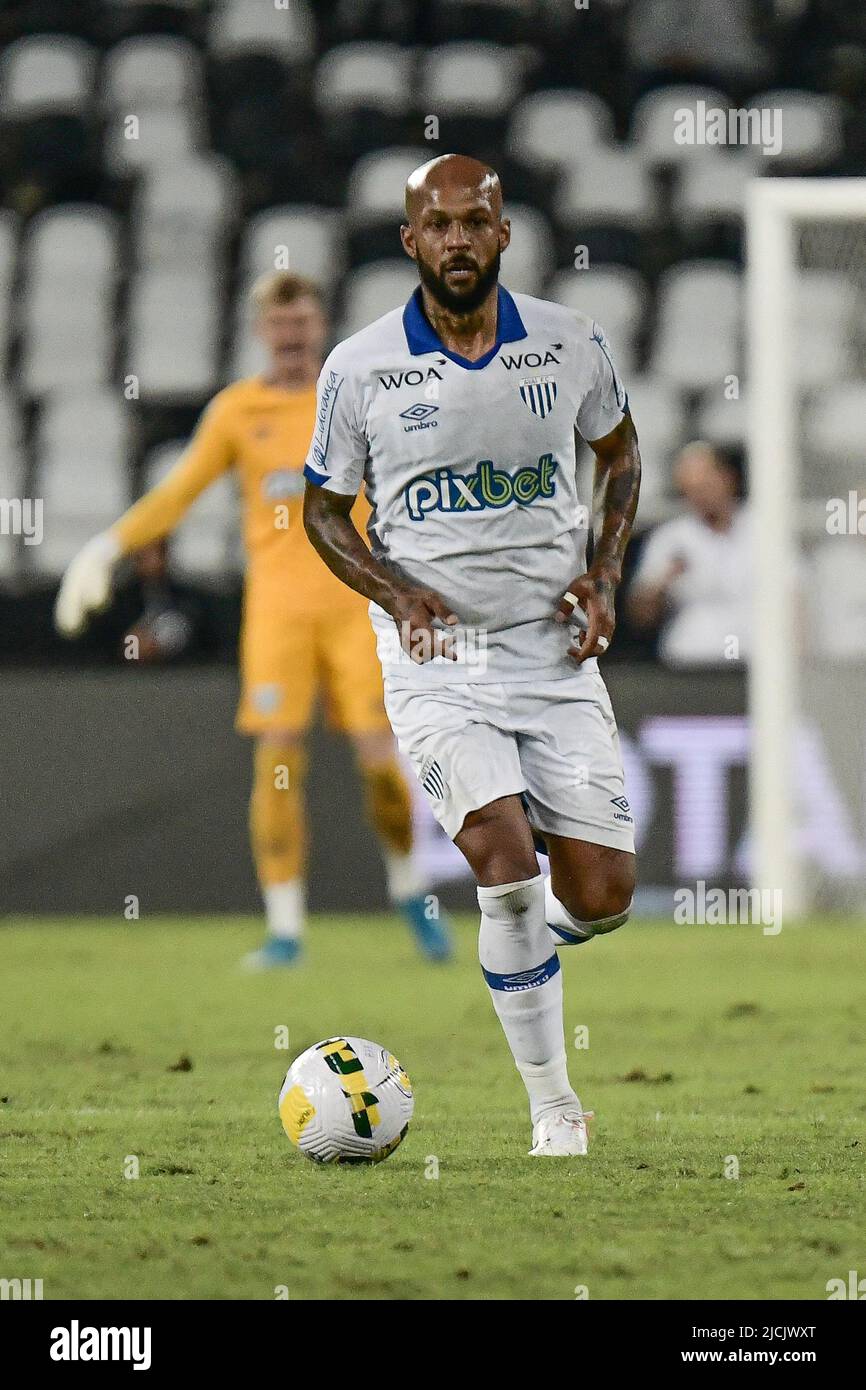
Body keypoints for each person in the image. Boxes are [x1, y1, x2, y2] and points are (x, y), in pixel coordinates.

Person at [303, 154, 640, 1156]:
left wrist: (603, 572)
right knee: (498, 859)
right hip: (435, 655)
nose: (455, 240)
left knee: (602, 896)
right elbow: (321, 512)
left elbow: (618, 453)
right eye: (435, 225)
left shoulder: (568, 344)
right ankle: (553, 1107)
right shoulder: (359, 368)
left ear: (502, 235)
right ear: (408, 240)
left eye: (473, 223)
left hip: (549, 648)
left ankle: (537, 932)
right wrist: (393, 590)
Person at [54, 271, 453, 967]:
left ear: (320, 327)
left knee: (383, 764)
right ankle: (286, 927)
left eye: (303, 324)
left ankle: (409, 889)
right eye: (281, 325)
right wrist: (108, 547)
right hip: (278, 613)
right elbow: (177, 494)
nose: (293, 337)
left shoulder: (359, 399)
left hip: (357, 605)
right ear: (262, 332)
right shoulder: (239, 412)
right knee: (276, 758)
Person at [627, 440, 752, 667]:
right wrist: (662, 583)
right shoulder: (671, 538)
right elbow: (640, 619)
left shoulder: (763, 530)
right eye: (691, 489)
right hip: (690, 661)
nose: (700, 495)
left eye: (706, 485)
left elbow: (794, 593)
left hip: (754, 660)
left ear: (728, 478)